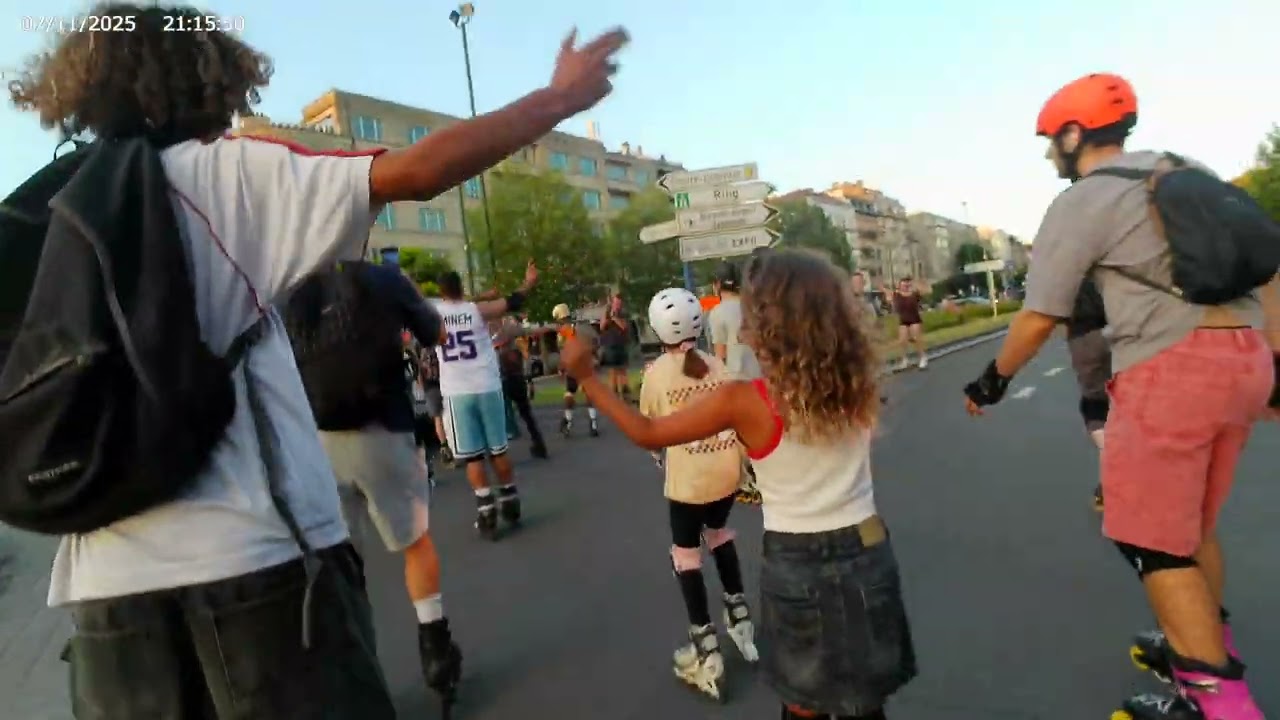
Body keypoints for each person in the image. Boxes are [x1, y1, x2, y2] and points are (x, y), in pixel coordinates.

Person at [6, 5, 629, 714]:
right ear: (211, 76)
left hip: (103, 603)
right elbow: (417, 172)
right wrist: (563, 98)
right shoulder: (221, 174)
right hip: (257, 571)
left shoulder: (47, 210)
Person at [963, 73, 1277, 720]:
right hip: (1245, 358)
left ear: (1076, 135)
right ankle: (1201, 648)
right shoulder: (1190, 170)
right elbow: (1269, 265)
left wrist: (990, 382)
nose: (1051, 154)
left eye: (1052, 141)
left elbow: (1038, 316)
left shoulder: (1084, 201)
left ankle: (1221, 702)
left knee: (1151, 544)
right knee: (1190, 527)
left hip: (1169, 372)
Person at [561, 248, 916, 720]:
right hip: (869, 547)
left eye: (753, 317)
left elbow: (646, 432)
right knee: (866, 704)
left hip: (797, 561)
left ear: (771, 327)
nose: (745, 330)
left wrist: (587, 377)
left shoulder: (747, 401)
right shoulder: (856, 383)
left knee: (803, 705)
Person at [284, 260, 464, 709]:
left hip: (319, 439)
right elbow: (436, 334)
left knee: (345, 562)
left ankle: (359, 675)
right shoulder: (381, 278)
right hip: (386, 430)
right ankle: (435, 650)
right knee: (415, 543)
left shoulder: (291, 289)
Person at [638, 287, 758, 700]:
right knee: (719, 533)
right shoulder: (715, 363)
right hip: (725, 471)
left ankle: (706, 649)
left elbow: (648, 428)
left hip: (688, 480)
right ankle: (739, 614)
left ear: (657, 328)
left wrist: (660, 457)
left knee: (685, 555)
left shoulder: (656, 374)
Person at [434, 263, 539, 539]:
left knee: (474, 457)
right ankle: (510, 500)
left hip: (458, 391)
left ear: (441, 292)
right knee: (498, 451)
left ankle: (486, 510)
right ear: (462, 289)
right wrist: (528, 282)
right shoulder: (476, 310)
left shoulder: (433, 313)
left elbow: (407, 299)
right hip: (487, 385)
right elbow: (514, 301)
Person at [1064, 277, 1111, 511]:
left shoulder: (1068, 271)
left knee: (1093, 399)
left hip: (1081, 336)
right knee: (1123, 392)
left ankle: (1108, 479)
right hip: (1113, 328)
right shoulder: (1103, 264)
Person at [493, 315, 549, 458]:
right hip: (513, 378)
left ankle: (498, 451)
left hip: (503, 379)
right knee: (526, 414)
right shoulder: (510, 337)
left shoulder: (498, 338)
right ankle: (538, 443)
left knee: (499, 415)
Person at [552, 302, 601, 437]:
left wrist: (561, 367)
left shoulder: (563, 331)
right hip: (587, 364)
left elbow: (564, 352)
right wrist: (593, 355)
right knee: (588, 393)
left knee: (569, 393)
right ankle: (593, 423)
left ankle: (567, 422)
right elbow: (596, 340)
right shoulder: (583, 326)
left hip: (573, 366)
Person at [886, 277, 927, 370]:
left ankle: (922, 358)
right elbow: (888, 297)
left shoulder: (914, 294)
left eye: (907, 283)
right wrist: (889, 300)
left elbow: (925, 290)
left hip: (914, 319)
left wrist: (919, 283)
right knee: (902, 341)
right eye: (903, 283)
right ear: (899, 285)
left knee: (916, 339)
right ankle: (905, 360)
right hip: (903, 320)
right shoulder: (896, 294)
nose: (905, 284)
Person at [598, 293, 633, 400]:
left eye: (619, 303)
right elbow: (602, 327)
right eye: (615, 302)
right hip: (610, 345)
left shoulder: (623, 313)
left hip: (621, 345)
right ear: (612, 303)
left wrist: (615, 318)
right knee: (612, 372)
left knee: (622, 371)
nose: (617, 305)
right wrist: (608, 317)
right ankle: (614, 397)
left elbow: (624, 327)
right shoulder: (607, 312)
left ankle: (626, 396)